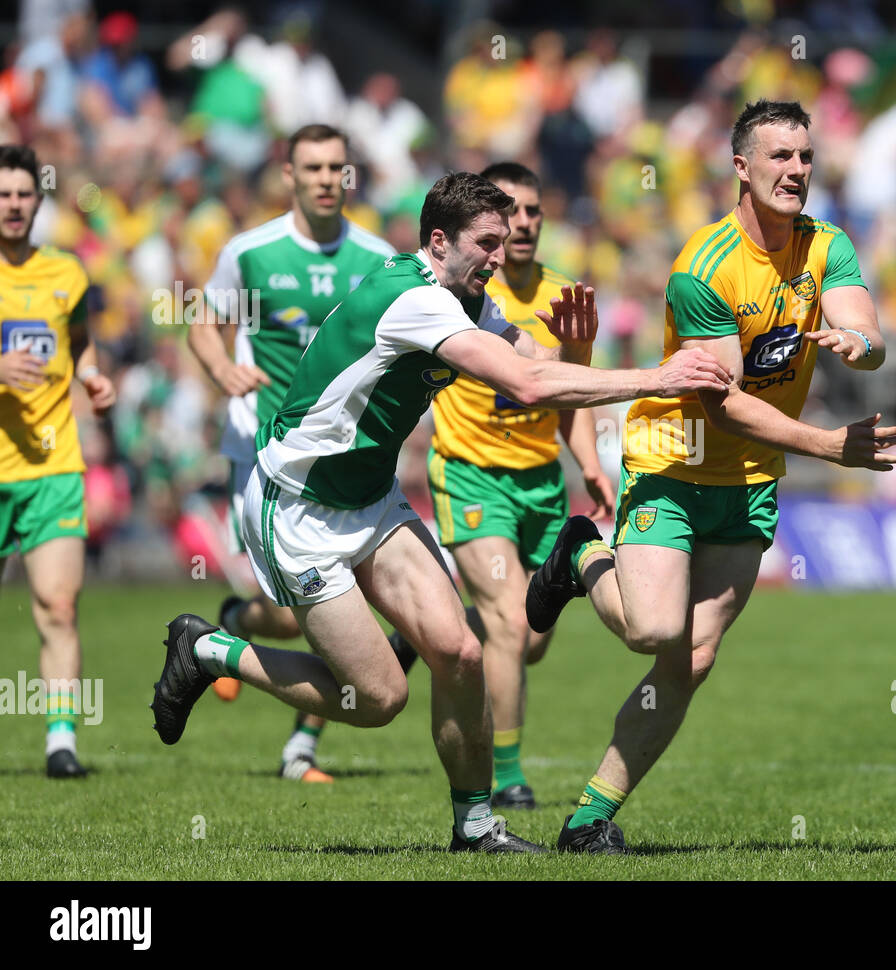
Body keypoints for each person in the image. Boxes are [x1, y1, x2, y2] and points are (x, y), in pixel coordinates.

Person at [149, 171, 731, 852]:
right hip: (297, 509)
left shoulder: (462, 298)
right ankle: (210, 650)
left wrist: (576, 347)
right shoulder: (418, 301)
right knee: (376, 699)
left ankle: (476, 826)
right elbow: (524, 382)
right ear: (438, 241)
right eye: (486, 243)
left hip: (369, 500)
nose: (500, 255)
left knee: (459, 651)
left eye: (505, 239)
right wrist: (657, 378)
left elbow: (538, 367)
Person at [524, 99, 896, 852]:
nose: (796, 171)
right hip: (674, 461)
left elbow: (866, 326)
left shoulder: (828, 244)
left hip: (750, 478)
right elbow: (724, 405)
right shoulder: (703, 268)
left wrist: (859, 342)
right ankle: (580, 555)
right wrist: (827, 445)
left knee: (691, 657)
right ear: (741, 167)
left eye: (804, 157)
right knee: (653, 629)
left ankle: (588, 820)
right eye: (779, 157)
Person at [188, 123, 402, 782]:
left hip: (339, 458)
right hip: (263, 450)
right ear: (288, 174)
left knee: (354, 608)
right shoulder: (250, 253)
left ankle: (301, 747)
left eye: (337, 166)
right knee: (284, 616)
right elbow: (203, 323)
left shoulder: (373, 258)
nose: (325, 178)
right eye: (311, 167)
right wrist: (224, 371)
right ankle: (231, 624)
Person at [428, 161, 614, 808]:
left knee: (528, 641)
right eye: (510, 213)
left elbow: (572, 390)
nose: (524, 223)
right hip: (471, 474)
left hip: (541, 482)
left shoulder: (566, 294)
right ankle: (507, 779)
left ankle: (439, 628)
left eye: (534, 212)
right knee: (510, 622)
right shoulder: (465, 290)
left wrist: (589, 463)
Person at [0, 144, 116, 778]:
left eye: (22, 193)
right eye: (3, 194)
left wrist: (92, 376)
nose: (13, 204)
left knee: (59, 605)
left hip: (51, 463)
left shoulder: (66, 273)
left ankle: (61, 741)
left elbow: (79, 343)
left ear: (37, 199)